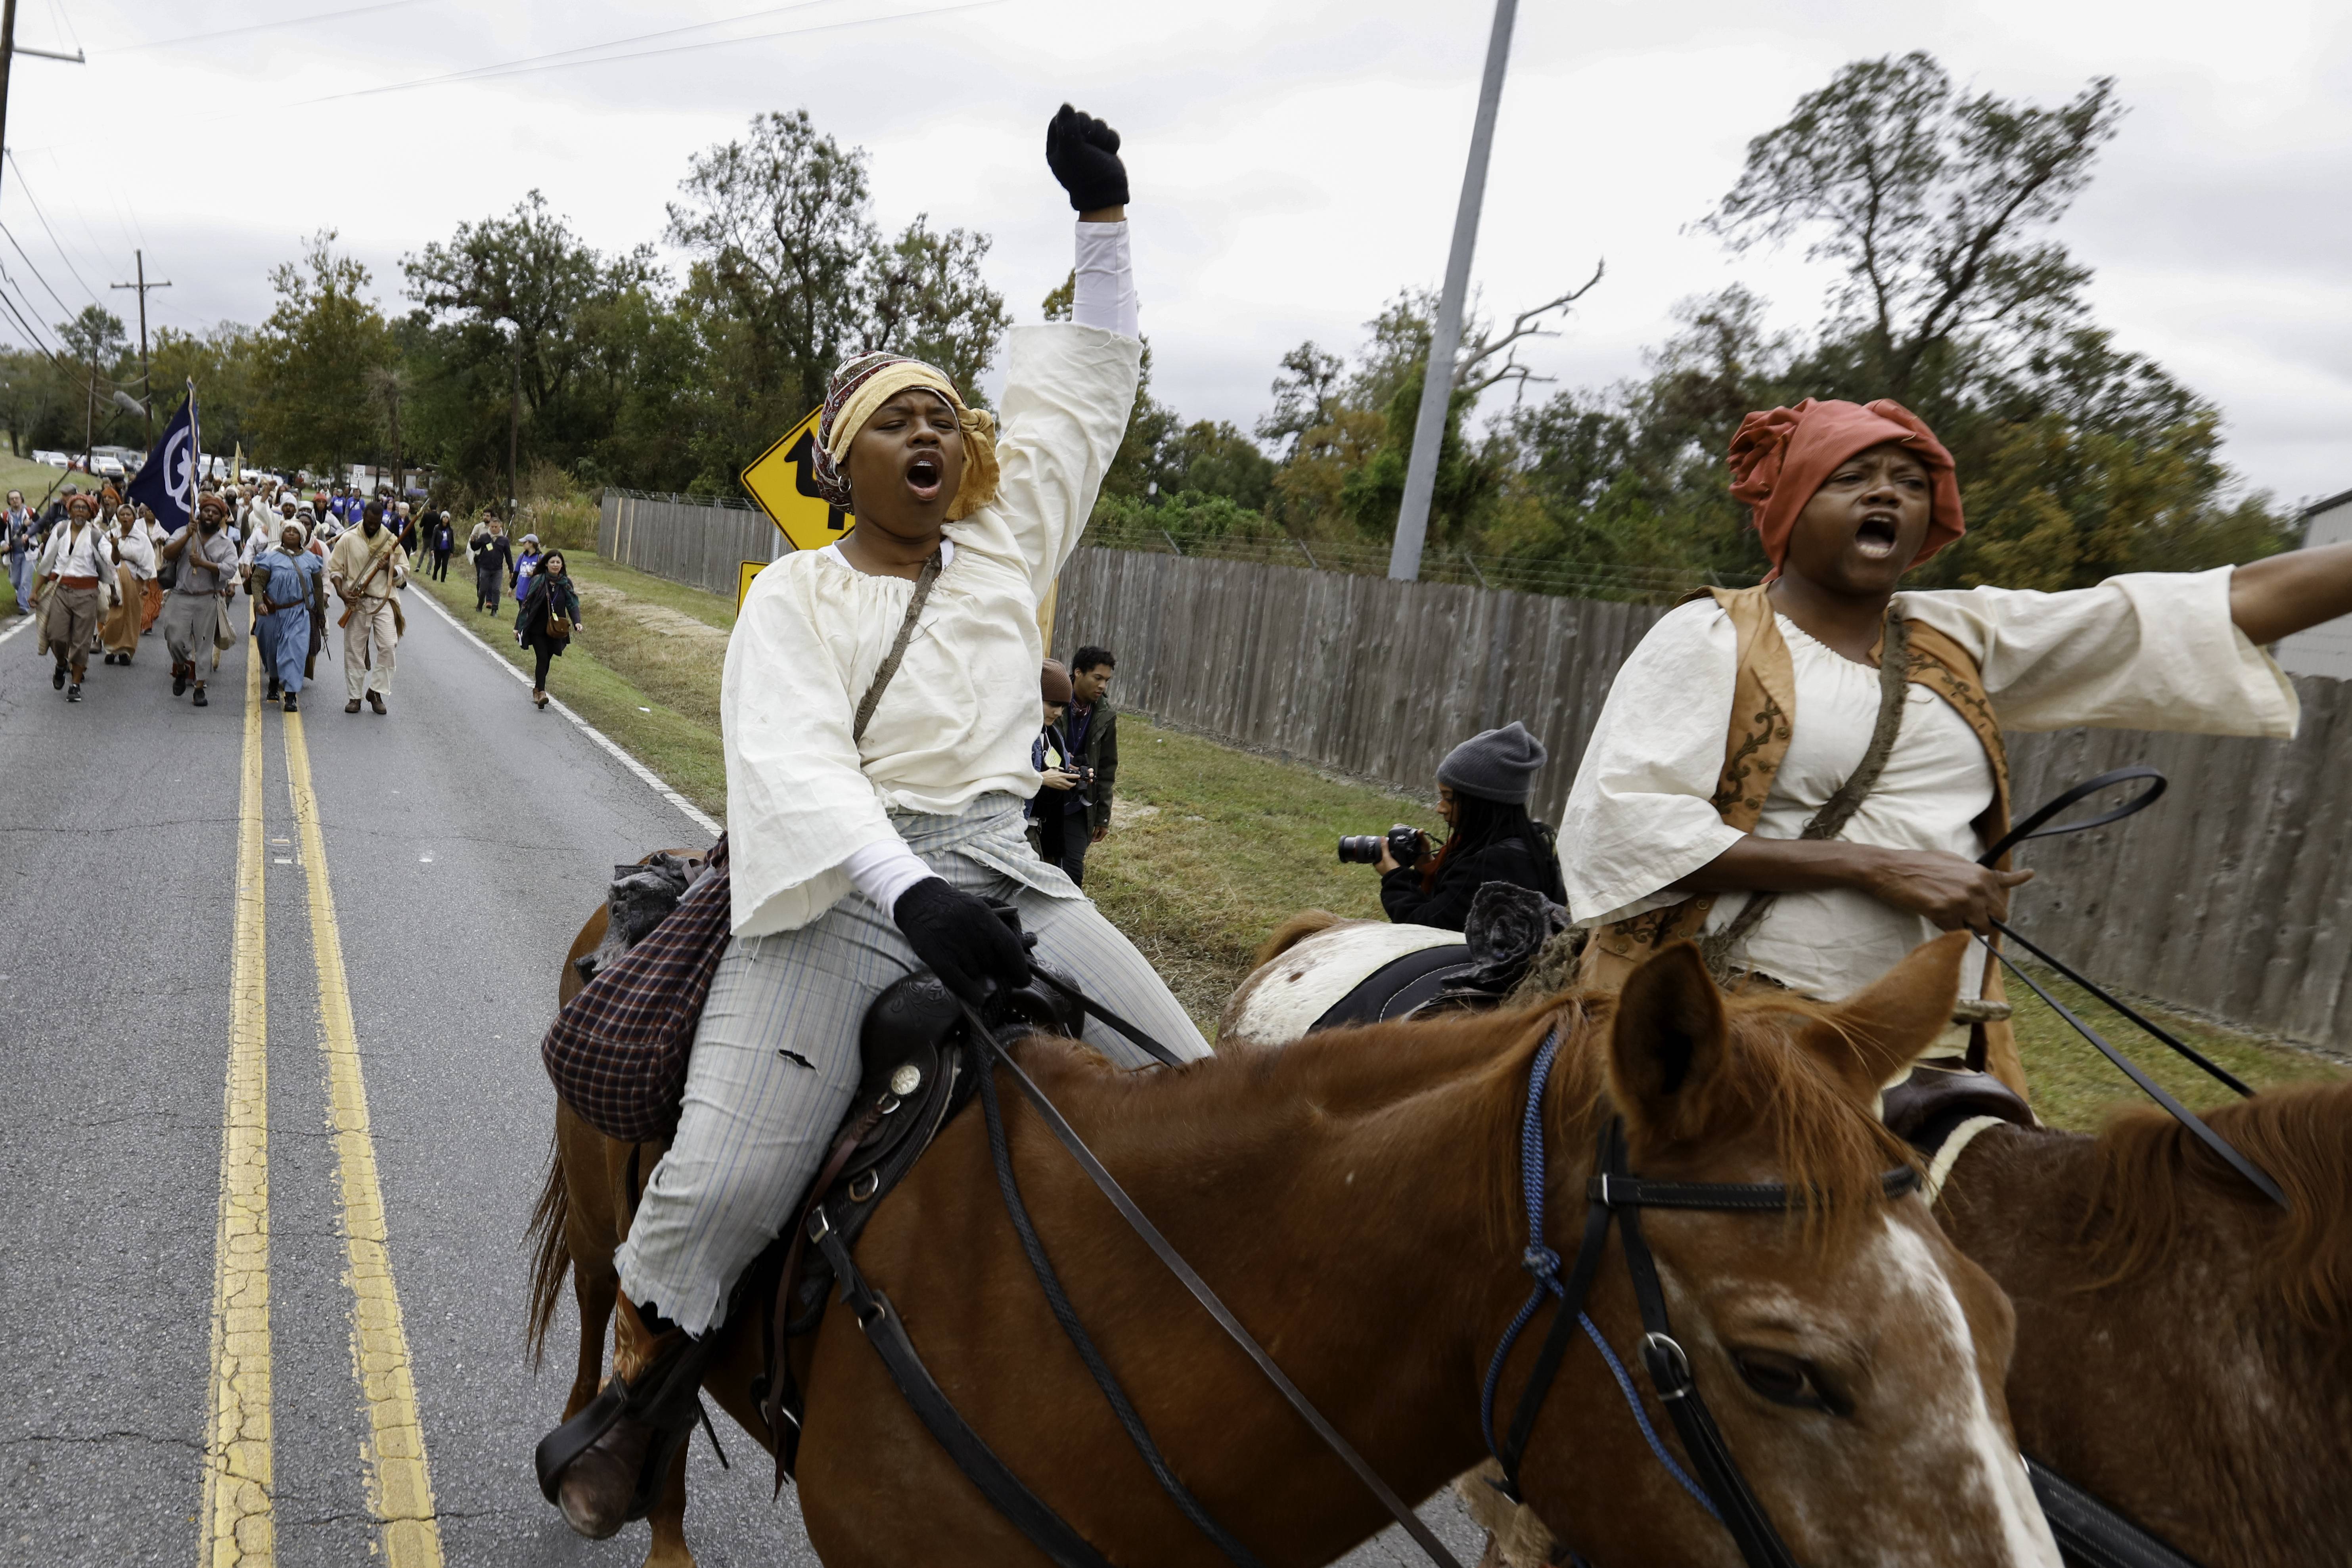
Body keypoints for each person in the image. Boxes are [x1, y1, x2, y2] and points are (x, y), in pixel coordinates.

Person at [546, 104, 1191, 1535]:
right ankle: (638, 1397)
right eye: (895, 416)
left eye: (944, 413)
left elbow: (1084, 394)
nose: (932, 426)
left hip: (1005, 864)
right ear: (838, 467)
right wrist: (910, 895)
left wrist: (1105, 226)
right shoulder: (795, 597)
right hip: (841, 886)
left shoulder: (1007, 543)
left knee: (1198, 1092)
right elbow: (799, 770)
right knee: (718, 1179)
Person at [1559, 396, 2352, 1095]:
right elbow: (1629, 827)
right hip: (1745, 1035)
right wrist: (1882, 866)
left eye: (1907, 483)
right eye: (1850, 476)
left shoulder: (1954, 635)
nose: (1884, 492)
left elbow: (2193, 610)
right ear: (1790, 507)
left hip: (1933, 1036)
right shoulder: (1711, 636)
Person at [1369, 722, 1566, 930]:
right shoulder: (1523, 844)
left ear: (1483, 803)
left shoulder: (1493, 865)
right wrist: (1426, 865)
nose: (1440, 808)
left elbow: (1426, 927)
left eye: (1449, 799)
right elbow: (1454, 907)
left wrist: (1394, 876)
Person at [159, 492, 241, 707]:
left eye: (215, 513)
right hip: (181, 595)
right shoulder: (183, 531)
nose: (209, 515)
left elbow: (231, 568)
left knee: (204, 646)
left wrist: (203, 564)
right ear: (200, 513)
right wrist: (187, 536)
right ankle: (182, 667)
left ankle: (199, 688)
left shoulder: (227, 544)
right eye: (206, 511)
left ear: (221, 518)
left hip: (207, 599)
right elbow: (168, 553)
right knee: (174, 638)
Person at [34, 494, 117, 700]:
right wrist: (35, 591)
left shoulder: (97, 535)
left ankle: (75, 684)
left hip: (86, 593)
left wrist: (115, 547)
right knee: (56, 636)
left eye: (84, 508)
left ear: (91, 513)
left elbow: (112, 561)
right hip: (60, 590)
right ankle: (62, 664)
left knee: (81, 642)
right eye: (76, 508)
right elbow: (47, 562)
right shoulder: (60, 530)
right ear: (69, 511)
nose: (80, 511)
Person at [328, 499, 406, 714]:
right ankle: (355, 697)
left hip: (383, 600)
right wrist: (341, 593)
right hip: (357, 602)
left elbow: (403, 571)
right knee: (354, 650)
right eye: (370, 522)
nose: (373, 526)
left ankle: (376, 692)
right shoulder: (348, 539)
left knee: (389, 645)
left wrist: (390, 567)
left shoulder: (391, 541)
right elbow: (335, 570)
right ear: (364, 517)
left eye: (377, 523)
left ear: (382, 520)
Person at [1054, 645, 1120, 885]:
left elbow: (1107, 768)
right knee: (1042, 863)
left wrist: (1102, 816)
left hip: (1080, 805)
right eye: (1098, 678)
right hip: (1046, 799)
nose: (1103, 686)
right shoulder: (1052, 700)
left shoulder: (1105, 715)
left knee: (1072, 873)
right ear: (1078, 673)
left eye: (1107, 680)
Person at [254, 519, 323, 711]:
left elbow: (318, 588)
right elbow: (258, 581)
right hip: (272, 612)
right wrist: (259, 602)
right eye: (288, 531)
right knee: (272, 649)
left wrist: (321, 614)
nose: (291, 533)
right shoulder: (270, 557)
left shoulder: (310, 560)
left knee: (294, 651)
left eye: (295, 531)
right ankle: (274, 681)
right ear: (282, 535)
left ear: (302, 537)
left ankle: (291, 695)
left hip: (298, 613)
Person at [1029, 659, 1082, 866]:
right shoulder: (1014, 735)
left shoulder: (1053, 734)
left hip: (1047, 830)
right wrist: (1041, 779)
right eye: (1053, 704)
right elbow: (999, 779)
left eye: (1063, 707)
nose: (1059, 713)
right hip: (1019, 829)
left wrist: (1074, 774)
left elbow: (1058, 765)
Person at [513, 548, 582, 709]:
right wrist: (518, 626)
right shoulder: (538, 580)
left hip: (556, 629)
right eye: (553, 562)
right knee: (542, 658)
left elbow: (572, 604)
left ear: (562, 565)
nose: (556, 565)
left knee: (548, 660)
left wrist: (577, 622)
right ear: (546, 564)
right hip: (537, 627)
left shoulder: (566, 583)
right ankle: (542, 693)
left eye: (559, 562)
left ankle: (537, 688)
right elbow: (527, 604)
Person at [100, 504, 154, 666]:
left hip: (134, 579)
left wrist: (145, 584)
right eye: (122, 514)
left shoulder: (142, 538)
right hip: (113, 578)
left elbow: (147, 562)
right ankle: (110, 648)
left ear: (134, 517)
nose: (125, 517)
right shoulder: (109, 536)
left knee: (131, 615)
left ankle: (126, 650)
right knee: (113, 615)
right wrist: (115, 546)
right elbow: (110, 560)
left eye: (128, 514)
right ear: (118, 517)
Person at [5, 490, 36, 613]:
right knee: (14, 581)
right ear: (9, 501)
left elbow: (41, 527)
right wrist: (3, 545)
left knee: (25, 581)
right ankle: (25, 594)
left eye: (17, 498)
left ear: (22, 499)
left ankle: (24, 606)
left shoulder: (31, 513)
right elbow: (1, 535)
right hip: (14, 553)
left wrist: (31, 525)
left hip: (29, 552)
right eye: (12, 499)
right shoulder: (4, 516)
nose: (15, 501)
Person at [473, 517, 512, 613]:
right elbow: (475, 547)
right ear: (489, 527)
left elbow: (508, 556)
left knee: (496, 589)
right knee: (483, 589)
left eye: (496, 527)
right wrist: (472, 542)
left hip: (497, 569)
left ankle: (495, 609)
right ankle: (480, 605)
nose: (494, 529)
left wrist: (511, 570)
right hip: (485, 568)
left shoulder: (504, 540)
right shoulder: (484, 537)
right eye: (492, 527)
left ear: (500, 527)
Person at [512, 532, 544, 599]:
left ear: (531, 544)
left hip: (533, 593)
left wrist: (534, 573)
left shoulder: (540, 557)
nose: (523, 544)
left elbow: (544, 574)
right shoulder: (522, 556)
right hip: (521, 592)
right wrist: (511, 587)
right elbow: (516, 572)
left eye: (524, 543)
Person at [429, 511, 454, 581]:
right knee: (438, 564)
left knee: (445, 564)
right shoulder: (437, 528)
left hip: (447, 550)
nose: (446, 519)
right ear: (441, 518)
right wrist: (432, 549)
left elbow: (452, 541)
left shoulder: (450, 529)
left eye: (447, 518)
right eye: (444, 517)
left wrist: (452, 551)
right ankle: (435, 575)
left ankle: (443, 580)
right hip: (438, 549)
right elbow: (433, 538)